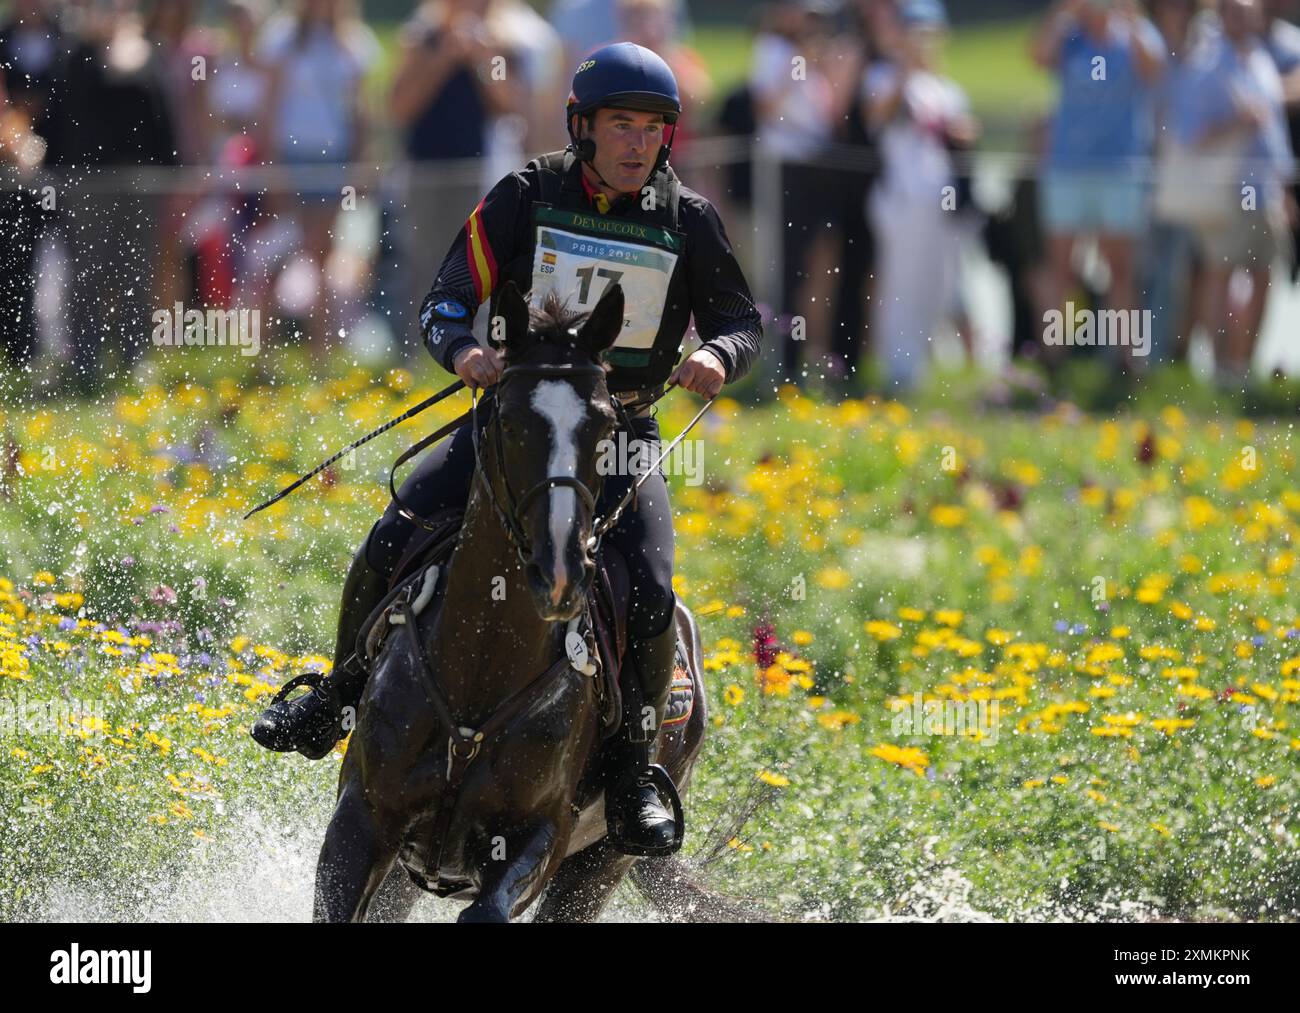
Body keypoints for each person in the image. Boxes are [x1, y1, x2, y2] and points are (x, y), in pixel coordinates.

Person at [253, 42, 763, 856]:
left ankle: (631, 772)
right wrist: (463, 353)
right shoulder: (527, 195)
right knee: (398, 524)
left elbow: (743, 322)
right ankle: (337, 693)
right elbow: (447, 298)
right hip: (515, 427)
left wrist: (718, 356)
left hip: (620, 439)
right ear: (583, 127)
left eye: (652, 129)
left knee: (653, 588)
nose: (638, 143)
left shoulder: (688, 221)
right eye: (621, 125)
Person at [1033, 0, 1166, 371]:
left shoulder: (1136, 33)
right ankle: (1052, 356)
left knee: (1121, 268)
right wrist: (1066, 11)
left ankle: (1126, 360)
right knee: (1061, 267)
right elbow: (1038, 56)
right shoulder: (1070, 33)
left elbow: (1154, 70)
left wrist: (1130, 16)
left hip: (1120, 169)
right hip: (1067, 169)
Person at [1178, 0, 1296, 384]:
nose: (1245, 20)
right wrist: (1236, 123)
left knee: (1264, 276)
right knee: (1221, 274)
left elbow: (1273, 134)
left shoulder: (1260, 61)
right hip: (1227, 190)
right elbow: (1191, 134)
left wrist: (1283, 189)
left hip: (1266, 191)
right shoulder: (1206, 66)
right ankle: (1219, 368)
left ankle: (1243, 365)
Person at [865, 0, 978, 391]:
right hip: (902, 198)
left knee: (939, 285)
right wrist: (904, 66)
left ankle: (922, 368)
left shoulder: (947, 90)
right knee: (902, 284)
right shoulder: (884, 76)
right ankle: (898, 369)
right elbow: (877, 115)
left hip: (941, 201)